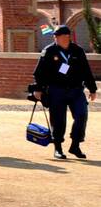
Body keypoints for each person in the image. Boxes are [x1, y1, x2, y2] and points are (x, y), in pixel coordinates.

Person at [32, 24, 97, 160]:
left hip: (76, 90)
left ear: (66, 37)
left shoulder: (77, 51)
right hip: (56, 90)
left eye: (59, 36)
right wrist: (38, 89)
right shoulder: (49, 51)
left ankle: (75, 145)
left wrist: (92, 88)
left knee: (81, 115)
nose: (56, 38)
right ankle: (58, 148)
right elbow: (39, 72)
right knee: (58, 119)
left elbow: (86, 70)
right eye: (55, 36)